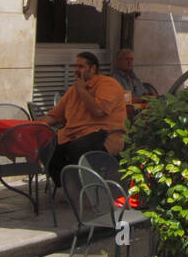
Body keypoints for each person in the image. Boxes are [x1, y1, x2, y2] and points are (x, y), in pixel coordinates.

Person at [42, 52, 126, 183]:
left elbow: (98, 111)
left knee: (77, 148)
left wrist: (82, 90)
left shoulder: (108, 84)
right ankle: (68, 184)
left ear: (93, 69)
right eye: (75, 66)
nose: (76, 70)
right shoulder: (74, 90)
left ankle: (87, 185)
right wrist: (33, 126)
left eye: (80, 66)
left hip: (104, 134)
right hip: (73, 134)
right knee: (47, 148)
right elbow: (54, 116)